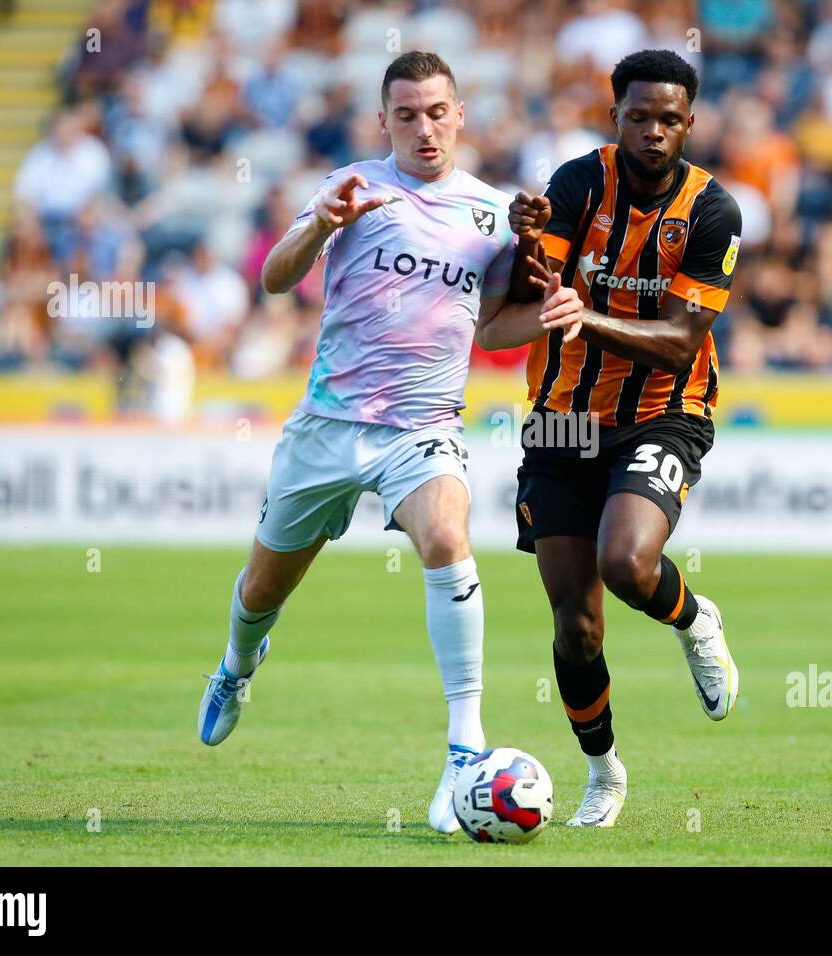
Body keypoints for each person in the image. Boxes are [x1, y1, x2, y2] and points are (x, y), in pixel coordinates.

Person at [196, 51, 584, 835]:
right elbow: (275, 278)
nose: (424, 127)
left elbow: (491, 325)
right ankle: (237, 668)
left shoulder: (493, 213)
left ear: (461, 114)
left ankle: (465, 750)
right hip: (329, 425)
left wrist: (543, 317)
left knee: (448, 537)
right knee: (262, 591)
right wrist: (317, 225)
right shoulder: (352, 189)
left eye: (437, 111)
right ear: (384, 122)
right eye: (406, 114)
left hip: (424, 426)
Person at [481, 49, 743, 828]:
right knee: (576, 623)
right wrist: (526, 242)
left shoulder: (713, 212)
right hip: (562, 415)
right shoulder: (575, 183)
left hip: (665, 409)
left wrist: (587, 317)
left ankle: (696, 619)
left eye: (670, 119)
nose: (655, 132)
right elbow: (538, 290)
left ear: (689, 123)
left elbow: (679, 338)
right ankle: (603, 772)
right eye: (640, 117)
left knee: (626, 562)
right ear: (616, 117)